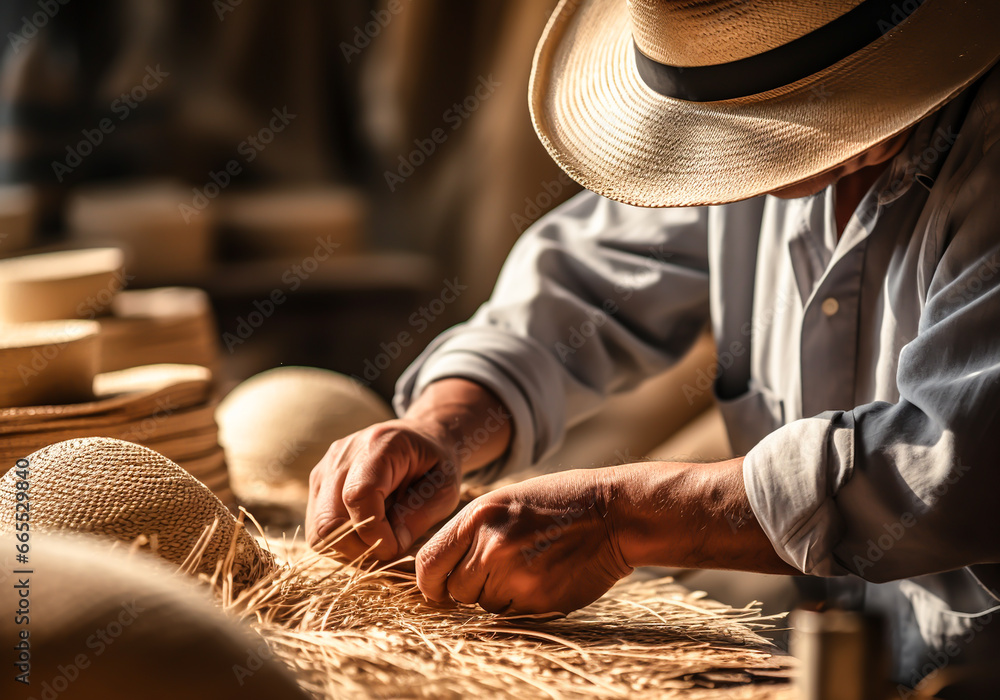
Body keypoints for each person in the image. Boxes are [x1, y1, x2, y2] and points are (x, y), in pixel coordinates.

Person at [306, 0, 1000, 690]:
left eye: (772, 124)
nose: (724, 156)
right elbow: (585, 280)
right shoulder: (735, 100)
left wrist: (621, 516)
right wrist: (444, 425)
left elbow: (957, 461)